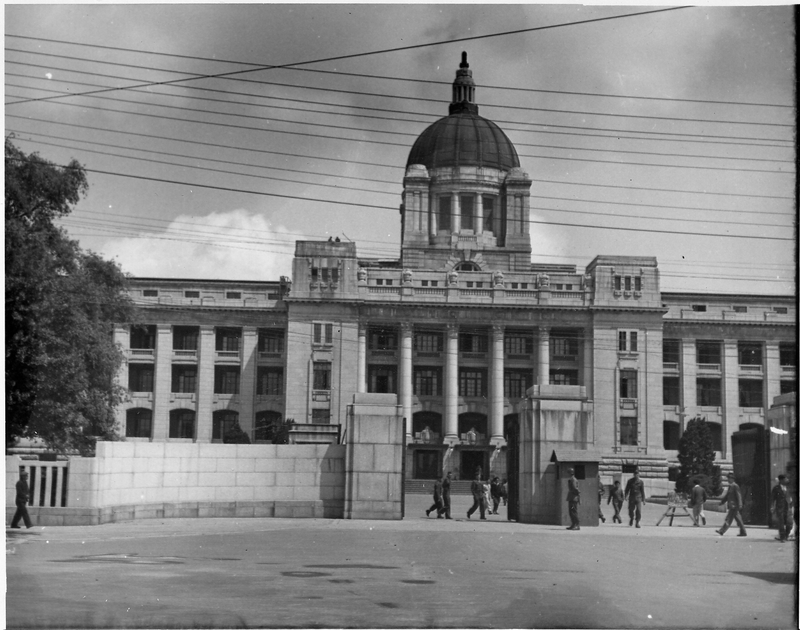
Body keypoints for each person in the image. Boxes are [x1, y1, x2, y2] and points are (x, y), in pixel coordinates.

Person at [716, 472, 747, 537]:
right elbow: (727, 496)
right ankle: (743, 532)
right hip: (732, 506)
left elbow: (738, 495)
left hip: (734, 506)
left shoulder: (735, 486)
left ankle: (722, 531)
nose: (728, 480)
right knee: (739, 520)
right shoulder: (730, 486)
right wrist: (722, 502)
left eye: (729, 478)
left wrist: (740, 504)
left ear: (732, 479)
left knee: (729, 519)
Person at [770, 474, 792, 542]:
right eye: (786, 479)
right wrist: (772, 506)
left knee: (789, 523)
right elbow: (772, 498)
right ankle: (782, 537)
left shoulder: (789, 487)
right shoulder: (776, 488)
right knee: (781, 523)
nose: (787, 480)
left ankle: (786, 535)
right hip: (780, 508)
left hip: (788, 508)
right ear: (781, 480)